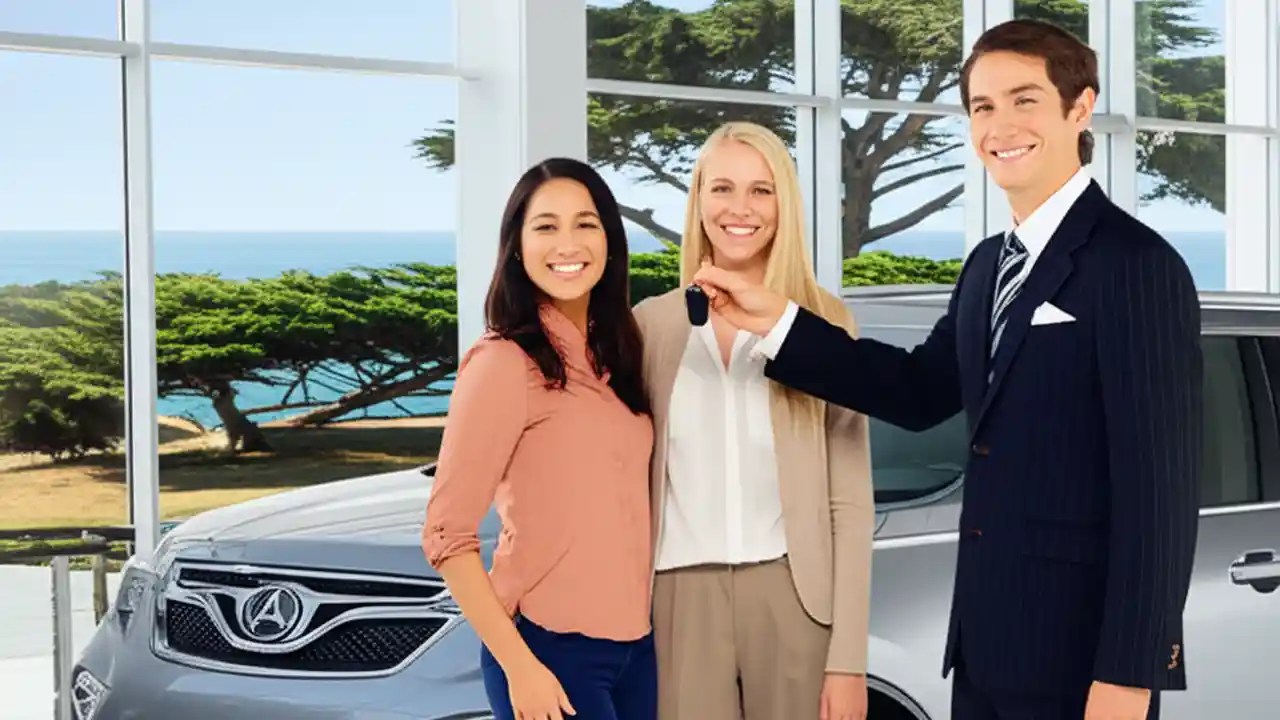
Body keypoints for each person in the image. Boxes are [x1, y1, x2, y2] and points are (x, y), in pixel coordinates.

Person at [690, 20, 1202, 720]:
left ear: (1079, 108)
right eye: (983, 107)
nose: (1000, 125)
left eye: (1024, 100)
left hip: (1083, 666)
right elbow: (917, 391)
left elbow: (1159, 493)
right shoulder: (987, 266)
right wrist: (778, 320)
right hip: (984, 654)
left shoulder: (1136, 265)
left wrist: (1129, 676)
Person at [632, 121, 875, 720]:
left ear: (783, 203)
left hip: (795, 597)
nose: (739, 208)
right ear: (698, 200)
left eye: (760, 190)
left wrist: (848, 660)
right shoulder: (649, 325)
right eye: (722, 188)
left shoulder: (824, 322)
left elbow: (849, 501)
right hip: (678, 598)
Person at [422, 158, 656, 720]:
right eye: (546, 226)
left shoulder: (618, 355)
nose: (567, 244)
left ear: (609, 241)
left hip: (638, 649)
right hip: (550, 651)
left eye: (585, 224)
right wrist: (520, 667)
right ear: (517, 247)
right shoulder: (502, 362)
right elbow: (445, 535)